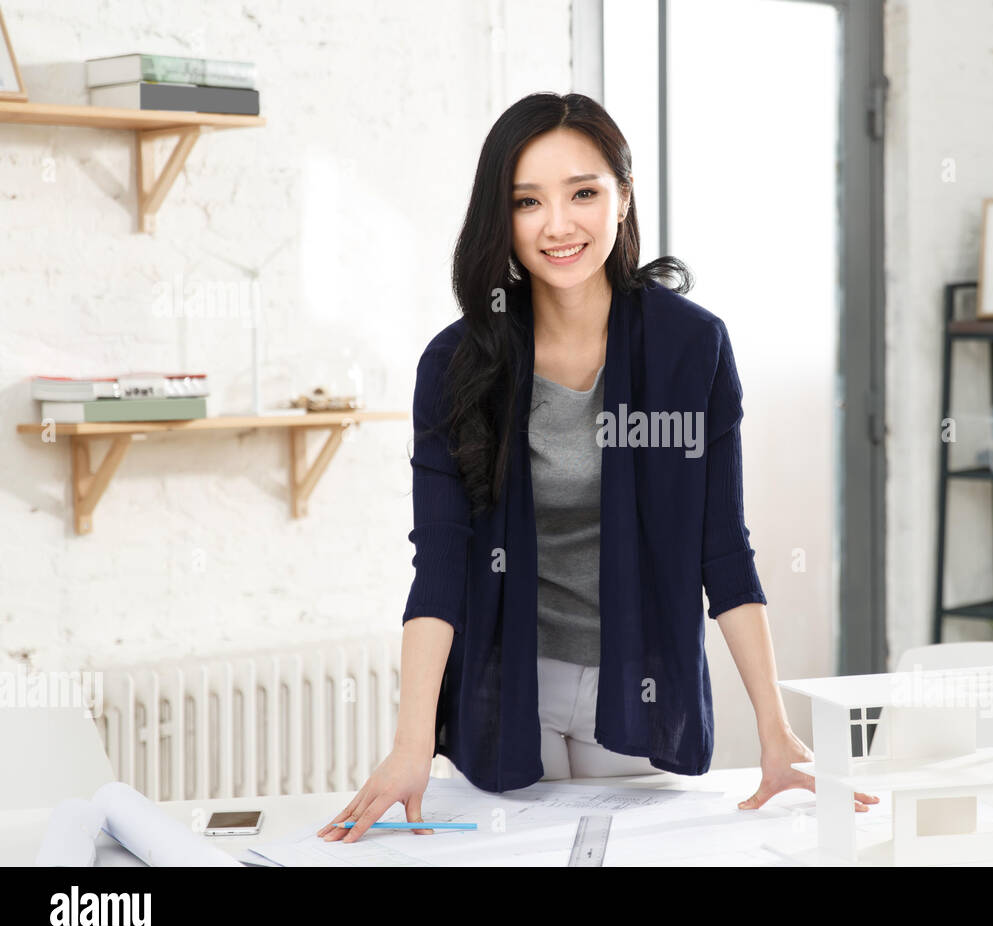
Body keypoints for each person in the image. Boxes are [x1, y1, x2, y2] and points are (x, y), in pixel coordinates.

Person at [319, 92, 876, 843]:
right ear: (501, 216)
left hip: (635, 686)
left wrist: (776, 731)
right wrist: (410, 746)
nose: (558, 225)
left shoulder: (691, 349)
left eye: (583, 192)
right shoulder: (458, 364)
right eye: (527, 201)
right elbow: (442, 563)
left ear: (622, 197)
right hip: (511, 686)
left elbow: (723, 549)